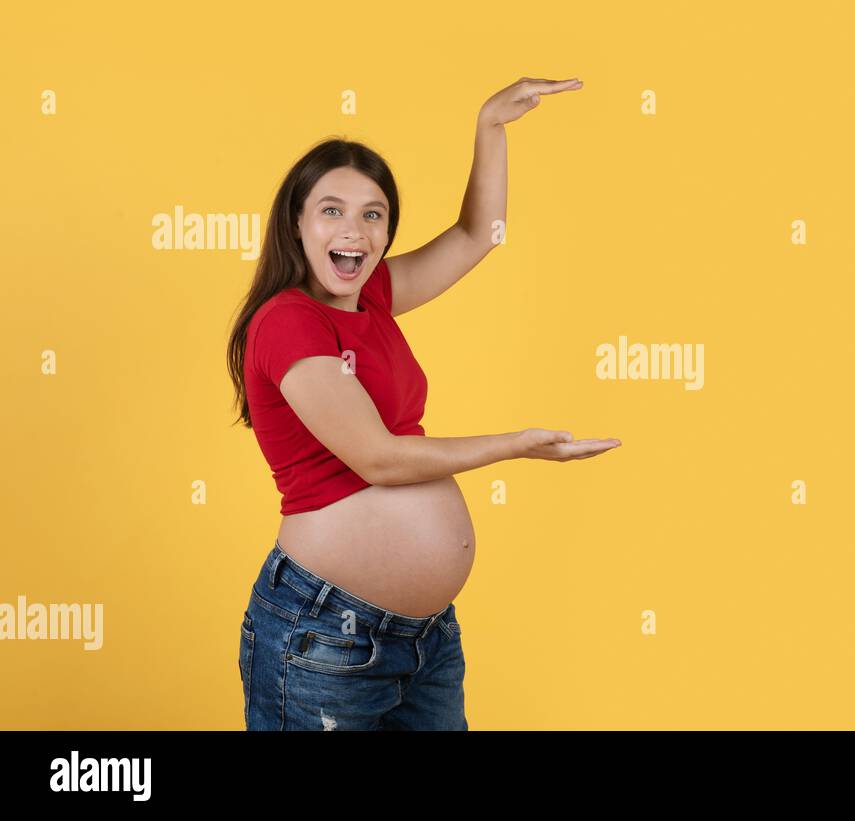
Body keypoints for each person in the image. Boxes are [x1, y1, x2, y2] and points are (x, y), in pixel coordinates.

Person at [224, 77, 619, 730]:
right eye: (331, 210)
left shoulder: (371, 297)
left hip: (425, 636)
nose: (353, 229)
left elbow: (476, 235)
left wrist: (489, 127)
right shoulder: (287, 321)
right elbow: (379, 459)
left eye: (372, 213)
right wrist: (517, 444)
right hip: (326, 633)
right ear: (296, 223)